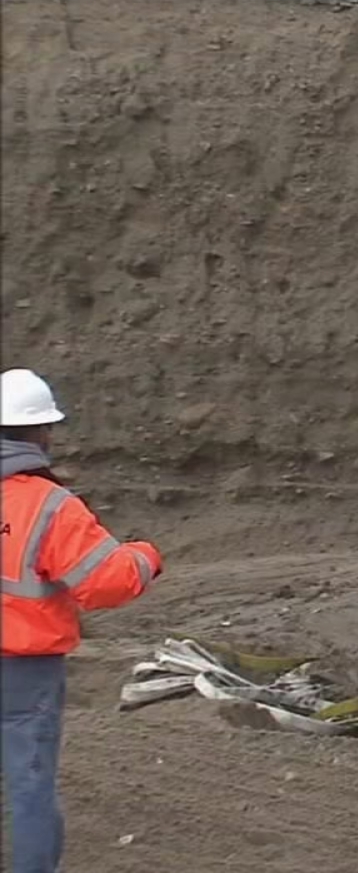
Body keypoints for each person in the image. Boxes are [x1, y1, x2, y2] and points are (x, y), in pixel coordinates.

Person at [1, 368, 163, 873]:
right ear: (42, 432)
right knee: (29, 785)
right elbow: (105, 582)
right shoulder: (47, 505)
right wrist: (146, 555)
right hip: (23, 672)